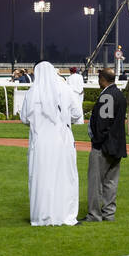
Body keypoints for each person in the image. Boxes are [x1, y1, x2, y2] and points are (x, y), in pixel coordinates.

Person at [20, 61, 84, 226]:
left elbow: (24, 118)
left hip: (40, 143)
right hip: (62, 141)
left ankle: (42, 216)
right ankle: (65, 215)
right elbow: (77, 114)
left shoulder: (32, 93)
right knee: (65, 178)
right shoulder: (65, 89)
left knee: (41, 179)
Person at [80, 68, 127, 223]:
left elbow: (102, 123)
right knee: (111, 182)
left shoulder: (107, 95)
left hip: (103, 146)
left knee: (95, 182)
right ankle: (109, 214)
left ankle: (94, 215)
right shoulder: (119, 93)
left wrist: (97, 141)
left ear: (102, 79)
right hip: (117, 145)